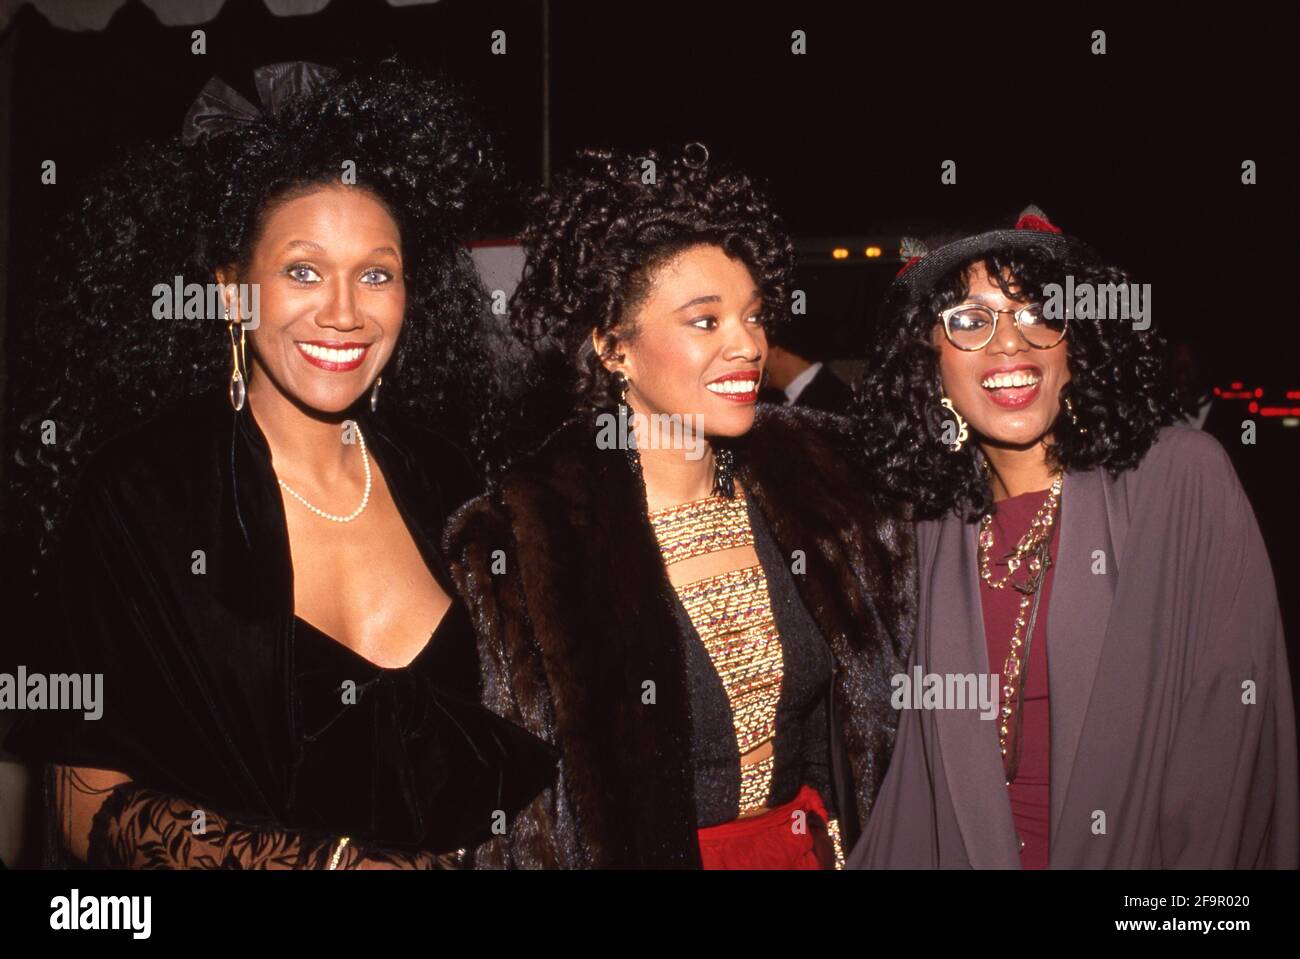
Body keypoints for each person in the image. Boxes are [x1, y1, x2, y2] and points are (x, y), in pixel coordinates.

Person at [4, 60, 555, 869]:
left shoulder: (446, 479)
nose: (343, 310)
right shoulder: (139, 497)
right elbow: (81, 803)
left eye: (376, 273)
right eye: (302, 270)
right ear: (231, 291)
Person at [444, 145, 915, 869]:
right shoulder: (525, 540)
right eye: (706, 321)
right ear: (611, 346)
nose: (749, 344)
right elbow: (520, 821)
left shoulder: (825, 493)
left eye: (755, 316)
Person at [847, 207, 1297, 868]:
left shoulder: (1180, 479)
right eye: (970, 321)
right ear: (927, 358)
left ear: (1075, 344)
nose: (1010, 344)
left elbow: (1224, 769)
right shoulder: (927, 525)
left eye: (1037, 313)